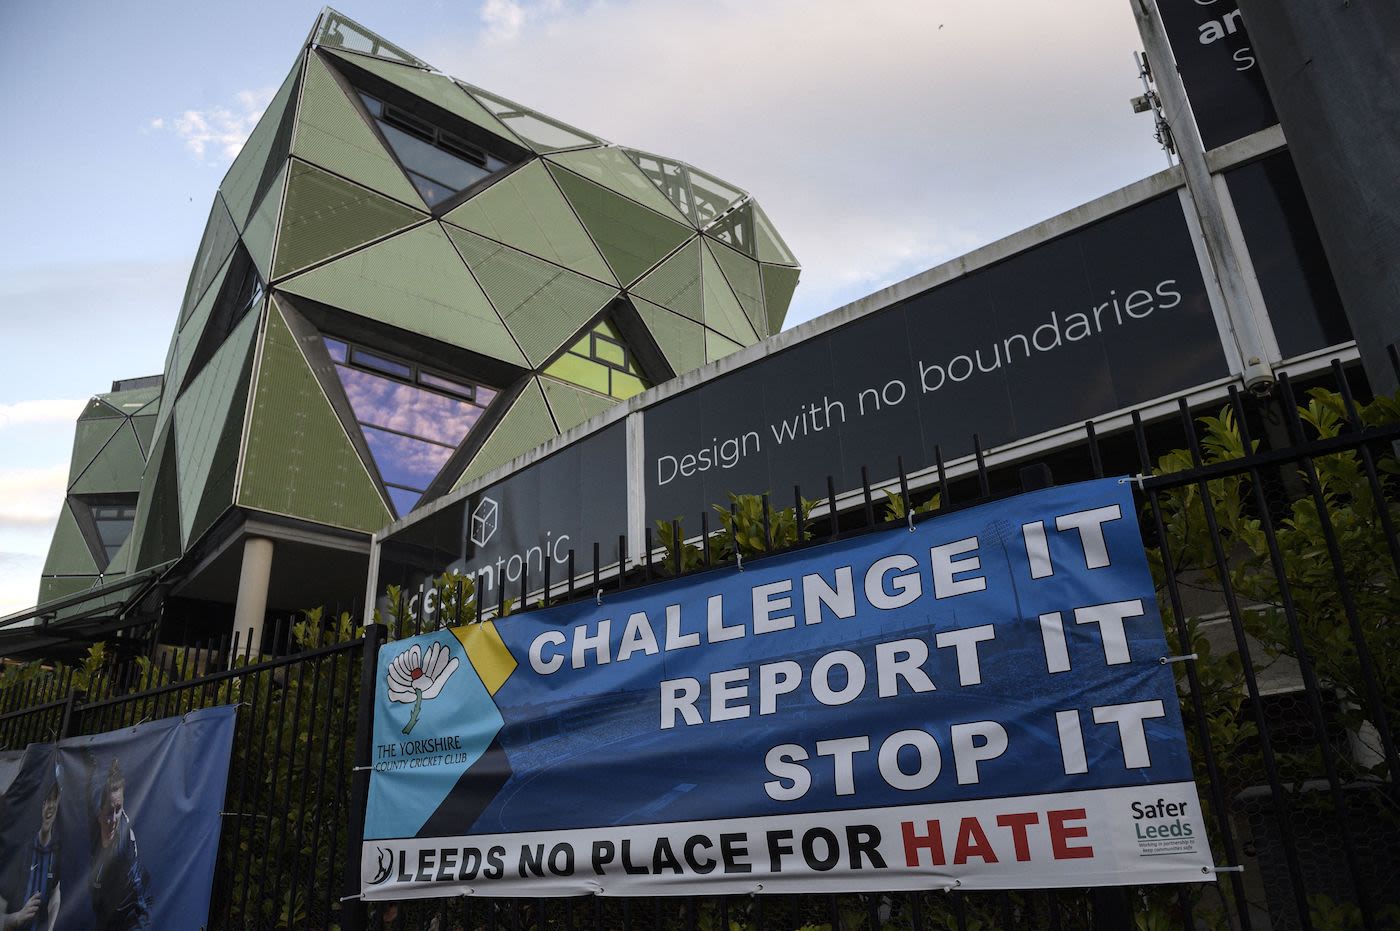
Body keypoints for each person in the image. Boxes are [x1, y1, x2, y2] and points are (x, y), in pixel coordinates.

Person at [86, 758, 150, 931]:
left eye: (119, 809)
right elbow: (90, 785)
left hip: (128, 911)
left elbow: (139, 896)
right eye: (108, 812)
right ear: (99, 812)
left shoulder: (126, 845)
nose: (113, 819)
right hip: (103, 909)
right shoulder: (93, 816)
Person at [0, 778, 60, 931]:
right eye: (47, 800)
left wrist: (51, 924)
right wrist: (17, 918)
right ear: (41, 805)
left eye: (55, 800)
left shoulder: (56, 854)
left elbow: (55, 892)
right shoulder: (21, 853)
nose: (50, 806)